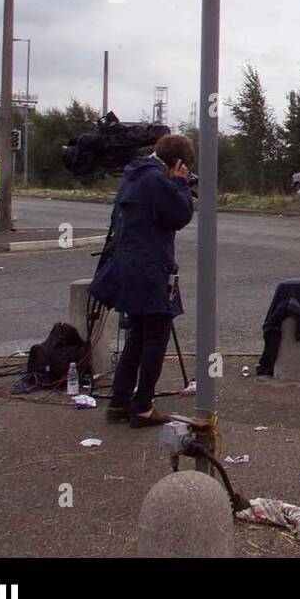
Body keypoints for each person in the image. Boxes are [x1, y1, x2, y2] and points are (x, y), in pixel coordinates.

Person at [89, 134, 196, 427]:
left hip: (129, 264)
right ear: (177, 162)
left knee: (137, 335)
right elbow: (179, 215)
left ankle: (120, 401)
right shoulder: (159, 181)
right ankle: (143, 406)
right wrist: (179, 184)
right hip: (151, 267)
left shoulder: (134, 175)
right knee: (155, 336)